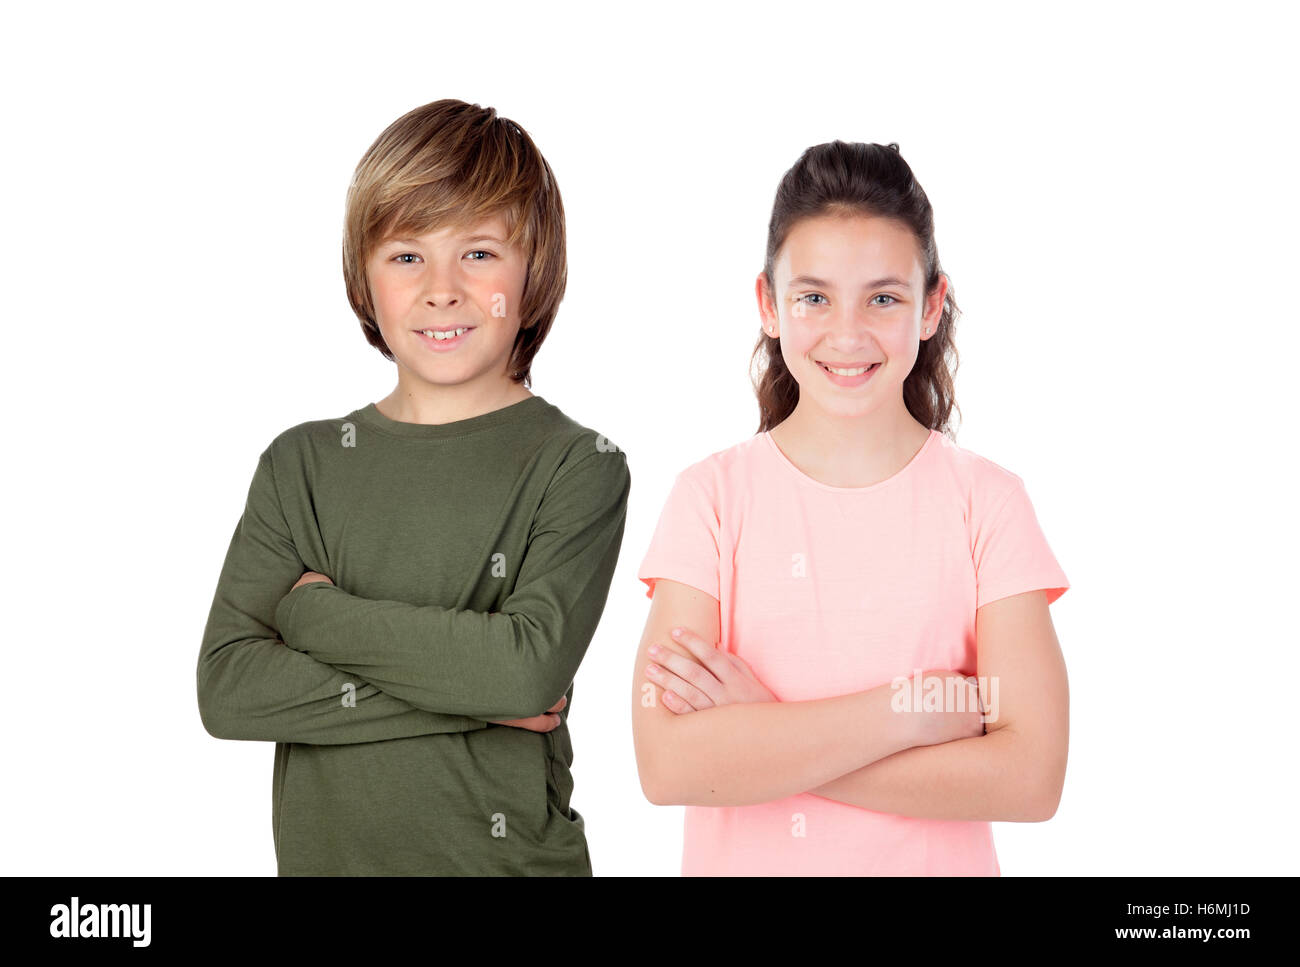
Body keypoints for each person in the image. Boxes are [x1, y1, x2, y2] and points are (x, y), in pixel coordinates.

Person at [198, 98, 631, 876]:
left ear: (534, 273)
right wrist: (480, 691)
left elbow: (524, 671)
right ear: (364, 280)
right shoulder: (302, 465)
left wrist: (309, 612)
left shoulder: (579, 464)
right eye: (406, 256)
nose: (442, 289)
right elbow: (229, 689)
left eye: (479, 253)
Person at [632, 140, 1070, 876]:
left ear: (931, 306)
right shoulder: (709, 499)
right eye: (813, 296)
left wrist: (761, 734)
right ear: (770, 306)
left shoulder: (989, 504)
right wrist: (908, 713)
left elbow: (1031, 778)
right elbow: (667, 765)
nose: (847, 332)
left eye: (884, 297)